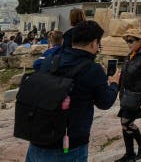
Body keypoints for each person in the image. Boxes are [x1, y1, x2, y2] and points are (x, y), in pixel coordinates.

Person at [24, 21, 120, 162]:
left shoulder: (51, 60)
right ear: (94, 43)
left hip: (37, 141)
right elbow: (105, 102)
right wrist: (114, 84)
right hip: (68, 147)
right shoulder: (92, 69)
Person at [114, 28, 141, 162]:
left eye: (131, 40)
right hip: (127, 94)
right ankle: (130, 153)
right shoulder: (131, 54)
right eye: (127, 41)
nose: (128, 43)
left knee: (126, 122)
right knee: (125, 123)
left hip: (137, 94)